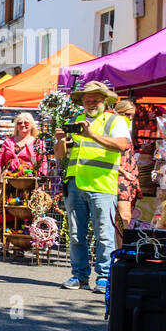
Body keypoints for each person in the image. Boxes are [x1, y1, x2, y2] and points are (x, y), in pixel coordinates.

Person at [54, 81, 132, 293]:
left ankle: (105, 277)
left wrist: (92, 135)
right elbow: (60, 155)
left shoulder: (116, 121)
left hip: (102, 184)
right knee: (76, 234)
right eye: (87, 100)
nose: (91, 103)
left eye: (95, 99)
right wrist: (60, 140)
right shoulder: (74, 120)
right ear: (82, 102)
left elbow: (123, 145)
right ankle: (79, 276)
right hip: (75, 183)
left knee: (104, 234)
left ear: (104, 100)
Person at [0, 112, 47, 187]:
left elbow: (43, 163)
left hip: (30, 184)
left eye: (26, 123)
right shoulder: (8, 141)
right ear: (16, 126)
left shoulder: (37, 143)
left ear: (32, 125)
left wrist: (41, 181)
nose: (23, 125)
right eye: (19, 123)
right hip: (9, 183)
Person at [114, 99, 140, 231]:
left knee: (123, 218)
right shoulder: (113, 128)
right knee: (123, 216)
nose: (130, 118)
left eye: (132, 115)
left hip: (127, 177)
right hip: (119, 176)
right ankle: (118, 248)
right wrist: (123, 171)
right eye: (127, 114)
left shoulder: (124, 129)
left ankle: (119, 247)